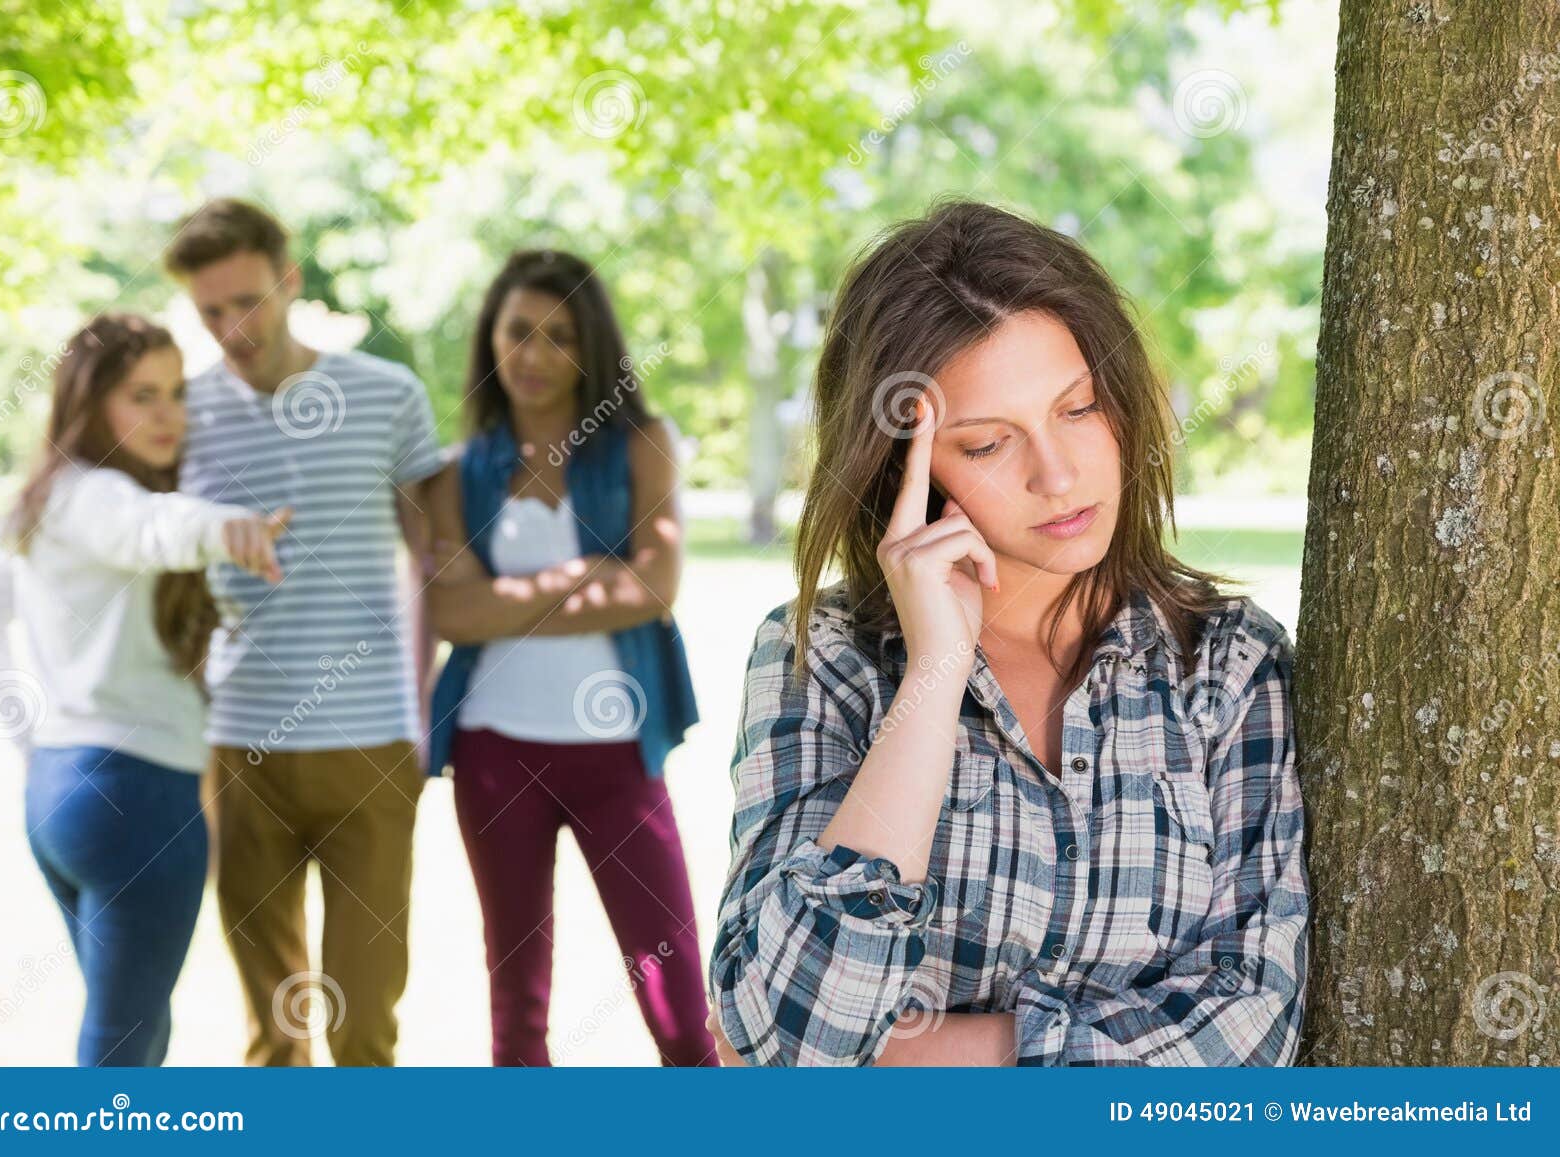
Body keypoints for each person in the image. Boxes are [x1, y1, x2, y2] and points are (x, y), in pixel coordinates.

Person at [705, 199, 1311, 1066]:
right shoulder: (824, 657)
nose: (1057, 475)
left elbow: (1249, 1037)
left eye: (1079, 409)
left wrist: (911, 1059)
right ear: (905, 470)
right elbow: (784, 1039)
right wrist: (935, 673)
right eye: (989, 443)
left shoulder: (1230, 663)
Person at [0, 313, 288, 1066]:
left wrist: (33, 741)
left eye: (176, 393)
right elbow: (154, 526)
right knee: (123, 1049)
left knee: (132, 1034)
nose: (169, 414)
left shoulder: (50, 501)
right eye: (142, 395)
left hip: (59, 792)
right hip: (136, 801)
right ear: (91, 401)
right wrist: (228, 527)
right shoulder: (101, 495)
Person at [163, 198, 445, 1066]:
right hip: (239, 749)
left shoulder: (388, 394)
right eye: (210, 310)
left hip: (371, 745)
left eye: (247, 301)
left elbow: (434, 558)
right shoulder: (184, 413)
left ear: (288, 281)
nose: (231, 328)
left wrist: (425, 699)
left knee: (365, 1023)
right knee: (272, 1032)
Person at [422, 249, 715, 1066]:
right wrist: (588, 576)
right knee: (517, 1007)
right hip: (494, 756)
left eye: (560, 336)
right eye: (519, 331)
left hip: (617, 753)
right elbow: (450, 612)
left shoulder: (641, 444)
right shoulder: (456, 473)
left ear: (592, 348)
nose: (535, 355)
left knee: (679, 1004)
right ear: (491, 338)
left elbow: (654, 586)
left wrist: (504, 601)